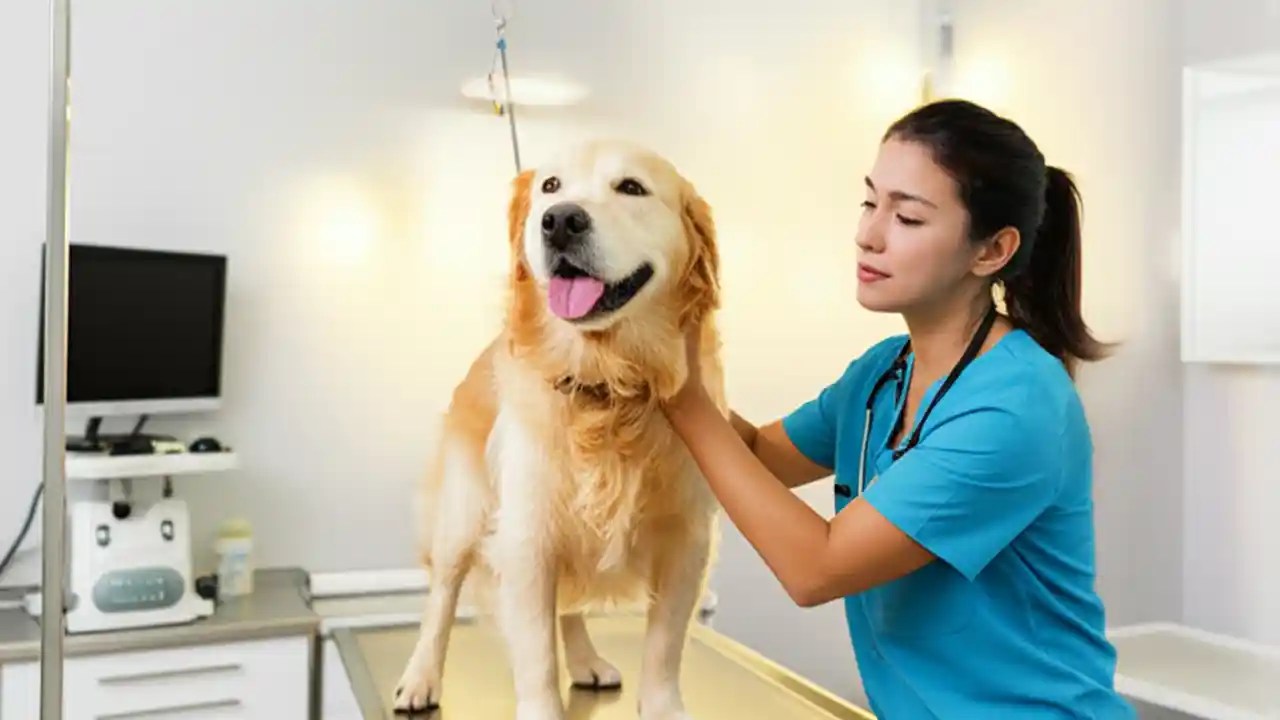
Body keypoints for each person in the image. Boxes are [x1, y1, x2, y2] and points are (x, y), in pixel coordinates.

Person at [661, 99, 1135, 718]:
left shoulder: (1016, 408)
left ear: (990, 252)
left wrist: (677, 392)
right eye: (870, 202)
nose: (868, 233)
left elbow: (816, 569)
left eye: (907, 217)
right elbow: (752, 460)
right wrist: (647, 356)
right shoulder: (885, 371)